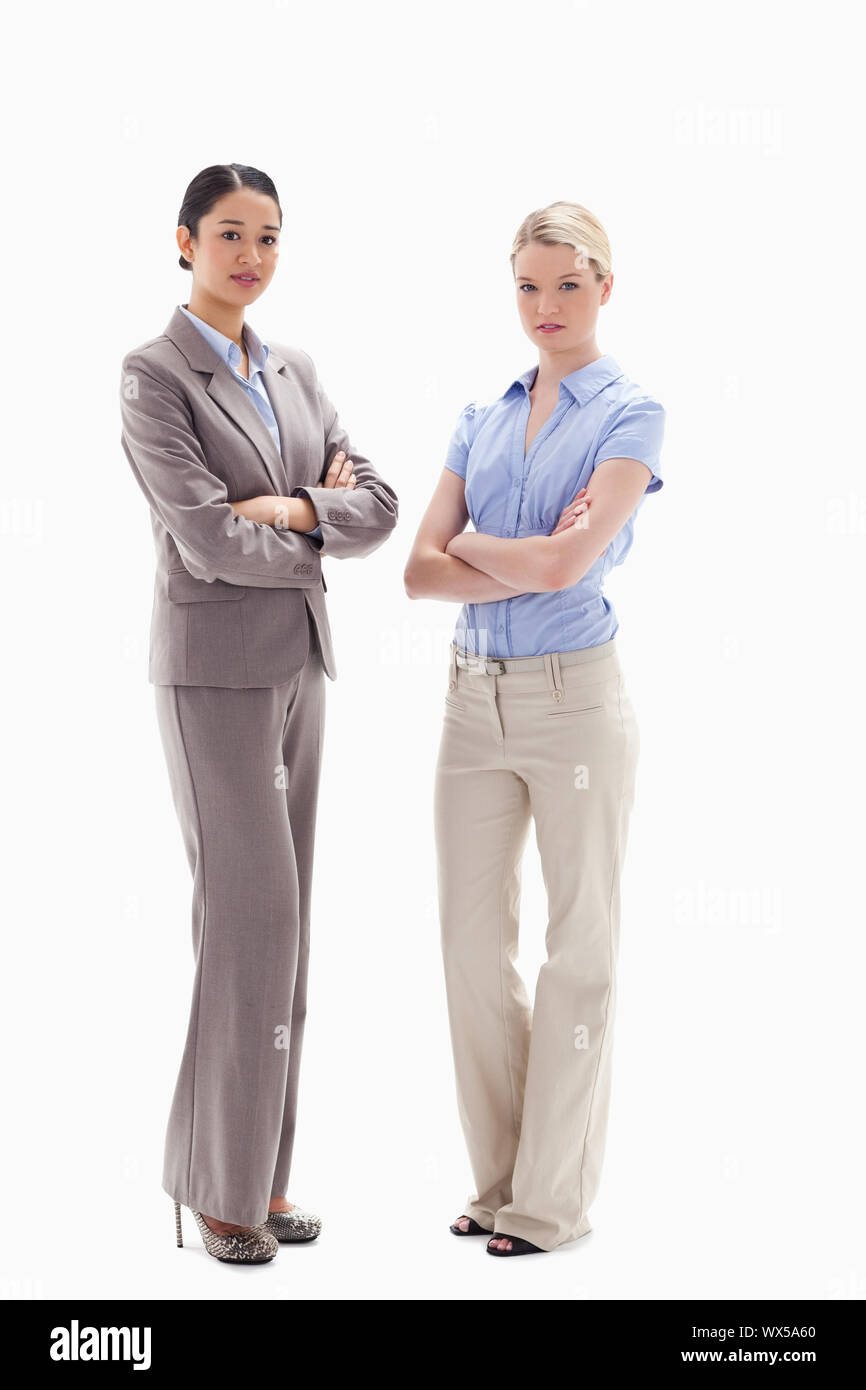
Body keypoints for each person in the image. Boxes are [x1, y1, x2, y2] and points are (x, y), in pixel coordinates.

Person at [119, 163, 398, 1264]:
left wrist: (292, 507)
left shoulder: (297, 369)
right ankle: (215, 1191)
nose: (251, 254)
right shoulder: (154, 376)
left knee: (287, 935)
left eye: (269, 236)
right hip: (213, 675)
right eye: (230, 233)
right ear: (183, 242)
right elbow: (202, 538)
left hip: (299, 666)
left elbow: (373, 504)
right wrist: (311, 533)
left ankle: (257, 1178)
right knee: (249, 926)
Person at [404, 200, 666, 1256]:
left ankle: (550, 1204)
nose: (544, 304)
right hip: (471, 700)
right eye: (526, 284)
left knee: (577, 951)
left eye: (566, 282)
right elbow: (419, 570)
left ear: (605, 285)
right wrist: (511, 547)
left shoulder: (630, 411)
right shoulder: (480, 410)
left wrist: (483, 542)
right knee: (471, 949)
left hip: (574, 702)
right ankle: (500, 1177)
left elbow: (565, 567)